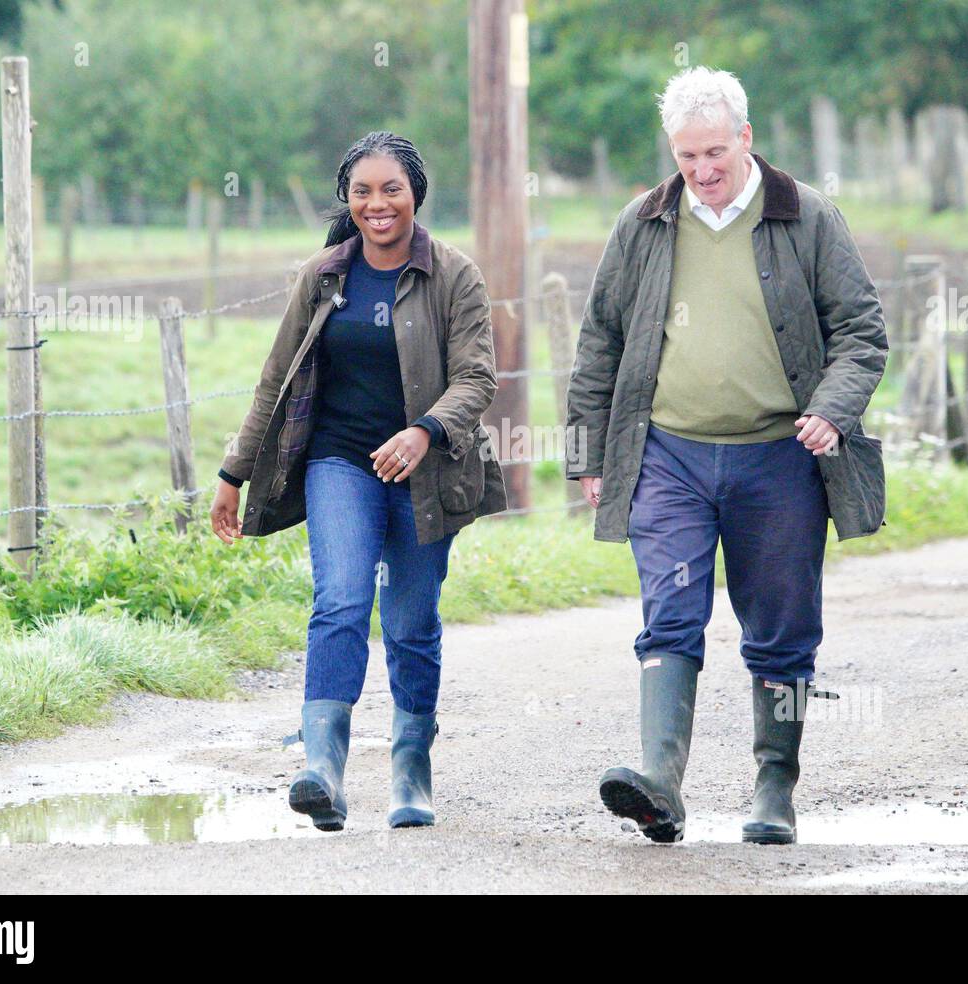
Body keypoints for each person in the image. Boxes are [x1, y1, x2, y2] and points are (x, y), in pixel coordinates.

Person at [565, 67, 887, 844]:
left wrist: (831, 411)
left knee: (780, 629)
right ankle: (658, 786)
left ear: (746, 138)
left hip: (778, 459)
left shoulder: (806, 218)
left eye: (714, 151)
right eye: (686, 157)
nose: (702, 171)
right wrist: (586, 455)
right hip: (667, 457)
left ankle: (775, 788)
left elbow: (861, 331)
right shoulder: (641, 224)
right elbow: (600, 341)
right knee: (669, 618)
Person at [210, 131, 506, 830]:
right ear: (348, 199)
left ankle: (411, 769)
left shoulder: (454, 276)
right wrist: (233, 472)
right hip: (338, 463)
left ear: (416, 196)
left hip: (426, 473)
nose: (378, 204)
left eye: (391, 190)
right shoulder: (322, 277)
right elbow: (274, 382)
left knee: (408, 621)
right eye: (364, 192)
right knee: (341, 599)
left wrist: (424, 430)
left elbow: (477, 377)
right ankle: (323, 770)